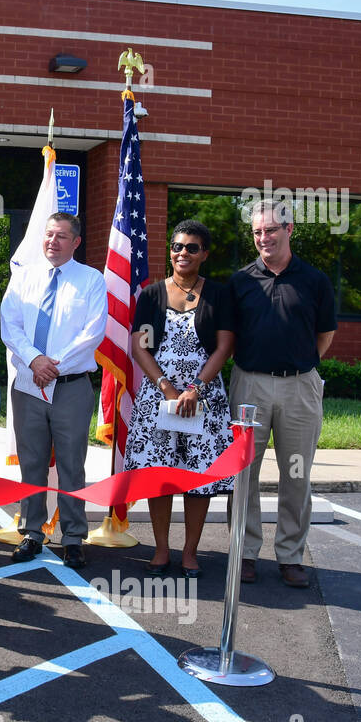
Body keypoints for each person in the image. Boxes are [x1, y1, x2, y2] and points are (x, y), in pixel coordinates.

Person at [228, 199, 336, 588]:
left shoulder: (315, 280)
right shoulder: (240, 281)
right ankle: (245, 552)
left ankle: (291, 556)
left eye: (270, 230)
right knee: (245, 474)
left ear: (290, 230)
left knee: (296, 473)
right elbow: (228, 336)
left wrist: (297, 366)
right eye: (257, 232)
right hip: (249, 384)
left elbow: (325, 334)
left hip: (299, 386)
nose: (263, 238)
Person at [124, 220, 235, 578]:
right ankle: (160, 550)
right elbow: (139, 346)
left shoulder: (218, 294)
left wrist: (195, 389)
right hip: (159, 398)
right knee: (160, 473)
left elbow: (225, 346)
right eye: (177, 246)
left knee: (197, 475)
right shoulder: (152, 295)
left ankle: (190, 552)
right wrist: (167, 388)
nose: (182, 253)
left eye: (191, 247)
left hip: (204, 399)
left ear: (205, 253)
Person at [0, 212, 107, 568]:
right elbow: (9, 325)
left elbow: (92, 333)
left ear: (76, 242)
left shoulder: (91, 280)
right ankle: (32, 531)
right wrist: (35, 360)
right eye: (48, 235)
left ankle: (74, 536)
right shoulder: (23, 276)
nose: (52, 242)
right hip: (29, 383)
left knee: (72, 465)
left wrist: (52, 364)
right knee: (32, 463)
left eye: (61, 236)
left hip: (71, 387)